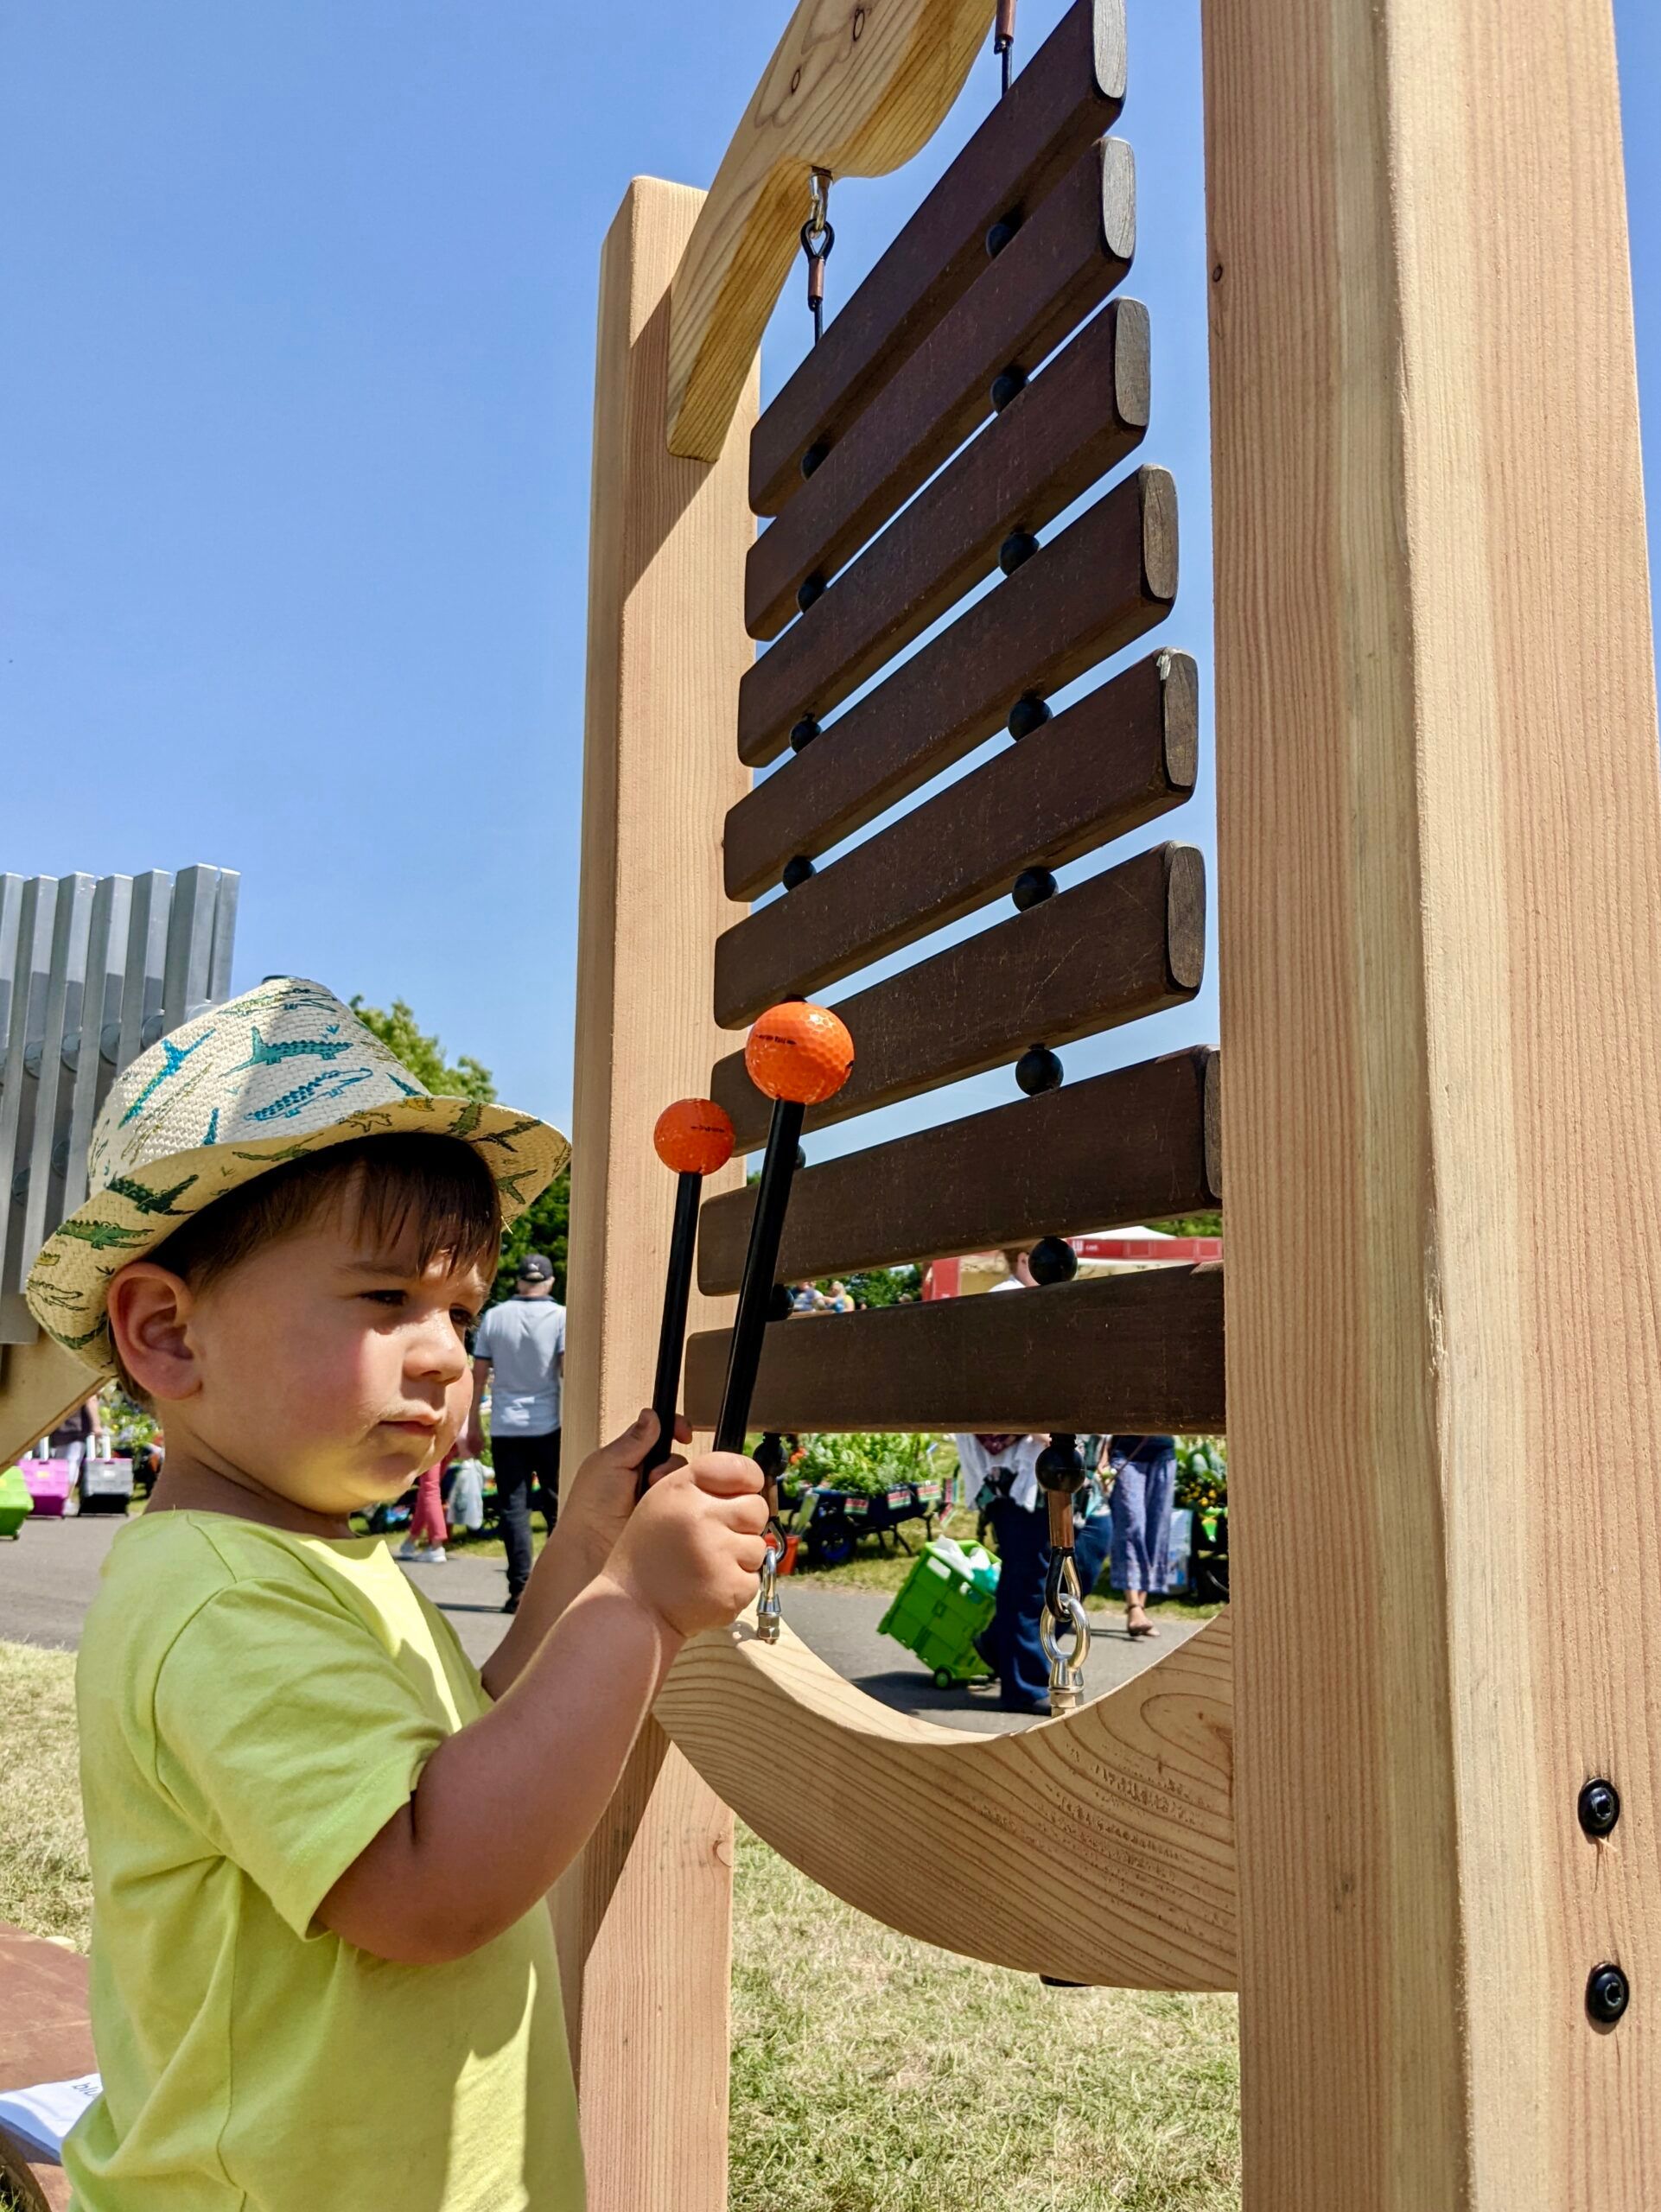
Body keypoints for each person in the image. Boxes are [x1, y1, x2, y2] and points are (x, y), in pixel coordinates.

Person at [25, 978, 767, 2212]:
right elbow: (428, 1882)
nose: (445, 1356)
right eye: (387, 1299)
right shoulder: (220, 1604)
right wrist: (636, 1606)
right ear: (168, 1334)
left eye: (460, 1310)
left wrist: (583, 1550)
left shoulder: (303, 1559)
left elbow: (464, 1750)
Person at [467, 1250, 565, 1611]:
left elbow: (478, 1377)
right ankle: (555, 1588)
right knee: (556, 1507)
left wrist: (472, 1422)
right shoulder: (560, 1317)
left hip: (506, 1426)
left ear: (519, 1281)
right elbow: (566, 1371)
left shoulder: (495, 1317)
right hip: (549, 1423)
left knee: (513, 1509)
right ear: (549, 1281)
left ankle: (520, 1588)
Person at [1103, 1434, 1178, 1637]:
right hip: (1125, 1452)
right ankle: (1133, 1605)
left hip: (1163, 1452)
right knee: (1131, 1525)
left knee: (1156, 1530)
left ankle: (1140, 1609)